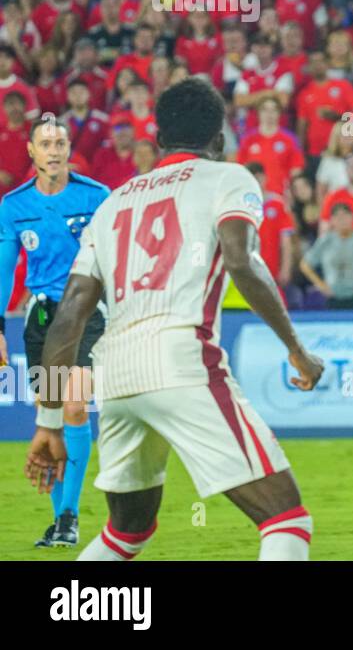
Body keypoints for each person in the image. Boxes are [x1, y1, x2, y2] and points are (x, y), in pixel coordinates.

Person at [22, 77, 324, 560]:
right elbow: (242, 262)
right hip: (182, 359)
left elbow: (70, 314)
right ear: (219, 140)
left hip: (116, 373)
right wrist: (296, 349)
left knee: (127, 532)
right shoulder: (229, 177)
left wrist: (49, 420)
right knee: (285, 517)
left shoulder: (112, 203)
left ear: (158, 140)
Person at [0, 117, 109, 547]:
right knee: (52, 418)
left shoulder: (97, 197)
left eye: (60, 142)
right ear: (31, 151)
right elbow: (6, 269)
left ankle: (69, 515)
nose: (54, 149)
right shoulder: (13, 206)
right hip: (40, 321)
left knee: (75, 403)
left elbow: (116, 261)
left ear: (69, 148)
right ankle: (60, 520)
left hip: (87, 313)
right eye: (45, 143)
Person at [299, 203, 353, 309]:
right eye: (337, 217)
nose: (341, 220)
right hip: (333, 297)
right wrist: (321, 285)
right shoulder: (326, 240)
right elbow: (305, 264)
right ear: (332, 221)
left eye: (345, 216)